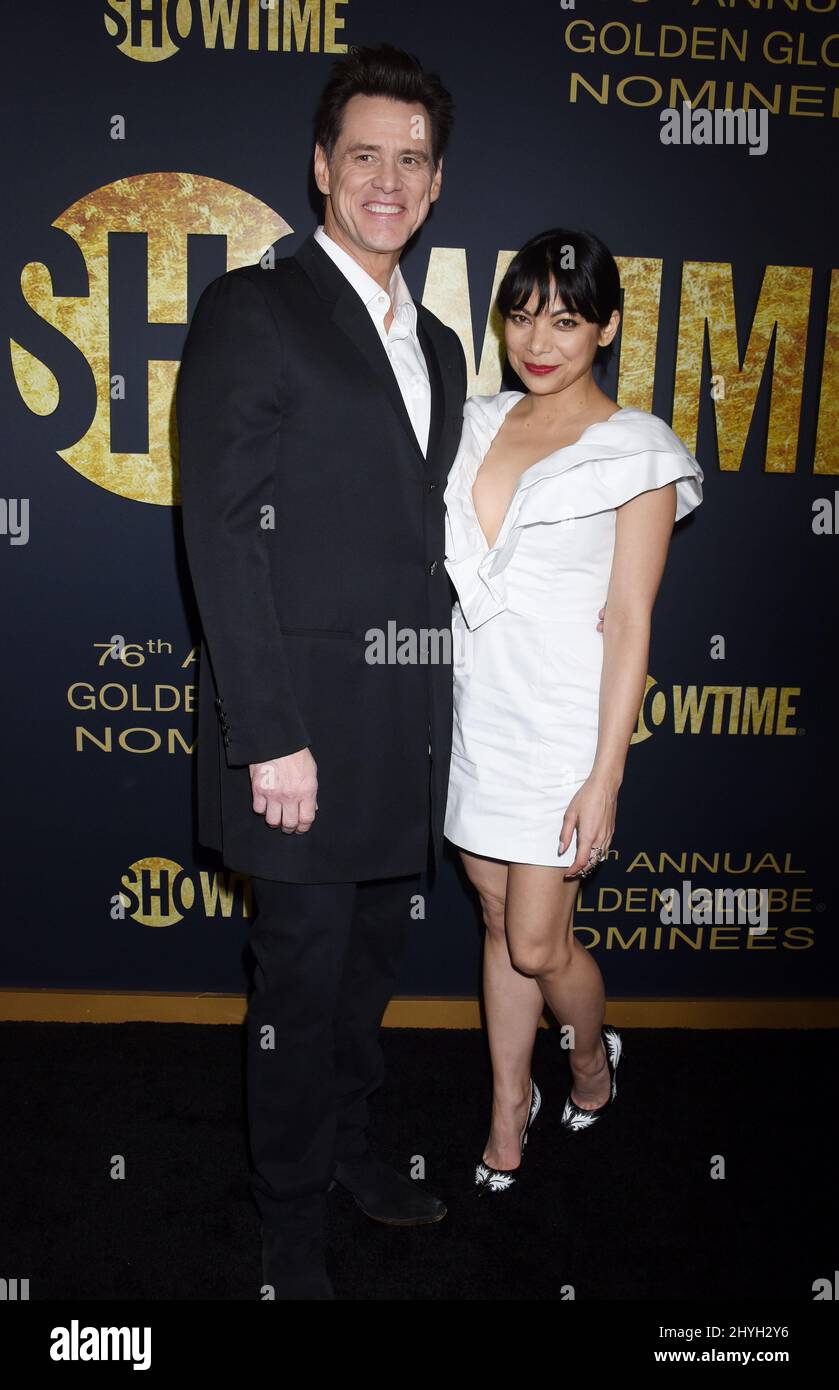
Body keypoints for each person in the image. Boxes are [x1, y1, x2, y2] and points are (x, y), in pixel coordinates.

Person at [176, 44, 468, 1298]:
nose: (386, 180)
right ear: (319, 166)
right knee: (296, 988)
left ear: (436, 181)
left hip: (404, 726)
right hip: (293, 738)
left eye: (411, 159)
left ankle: (347, 1148)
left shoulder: (441, 345)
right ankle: (287, 1223)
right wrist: (266, 734)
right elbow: (220, 531)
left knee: (366, 976)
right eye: (364, 155)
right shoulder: (255, 309)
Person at [442, 228, 703, 1193]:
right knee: (493, 915)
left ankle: (589, 1054)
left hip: (562, 723)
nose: (537, 341)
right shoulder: (474, 423)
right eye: (520, 317)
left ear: (607, 327)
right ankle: (508, 1103)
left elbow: (629, 619)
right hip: (477, 704)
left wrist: (606, 776)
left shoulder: (638, 451)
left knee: (536, 941)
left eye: (564, 319)